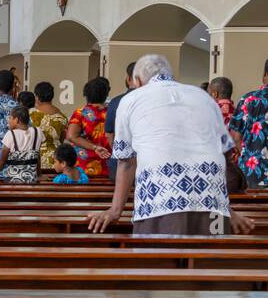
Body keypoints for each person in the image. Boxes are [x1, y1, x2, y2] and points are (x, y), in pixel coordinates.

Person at [89, 54, 254, 236]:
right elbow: (223, 153)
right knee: (210, 258)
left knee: (161, 259)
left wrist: (115, 211)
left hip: (161, 198)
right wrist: (226, 209)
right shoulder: (203, 97)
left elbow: (126, 161)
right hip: (213, 203)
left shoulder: (131, 100)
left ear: (136, 80)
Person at [230, 59, 268, 187]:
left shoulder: (248, 99)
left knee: (252, 206)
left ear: (265, 76)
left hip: (252, 171)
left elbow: (236, 138)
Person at [67, 75, 112, 178]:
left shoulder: (80, 112)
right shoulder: (113, 112)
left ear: (86, 94)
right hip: (106, 162)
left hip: (83, 164)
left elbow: (71, 136)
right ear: (106, 94)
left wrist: (94, 147)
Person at [103, 62, 139, 178]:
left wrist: (118, 151)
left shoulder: (116, 102)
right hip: (145, 162)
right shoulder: (154, 102)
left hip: (120, 163)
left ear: (128, 79)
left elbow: (109, 134)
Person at [0, 105, 42, 184]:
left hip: (13, 182)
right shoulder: (38, 132)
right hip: (32, 181)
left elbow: (2, 161)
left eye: (10, 118)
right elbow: (37, 157)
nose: (8, 121)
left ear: (16, 120)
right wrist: (39, 175)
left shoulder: (10, 134)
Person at [30, 81, 69, 172]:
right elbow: (61, 139)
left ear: (37, 97)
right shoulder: (62, 117)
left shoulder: (30, 114)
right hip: (56, 160)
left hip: (35, 159)